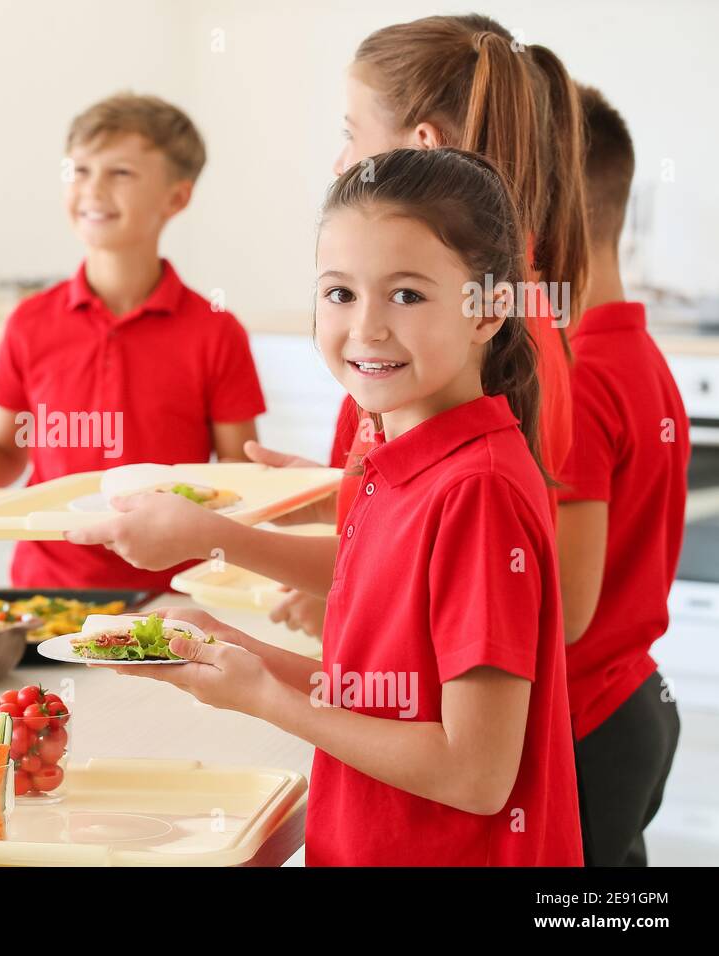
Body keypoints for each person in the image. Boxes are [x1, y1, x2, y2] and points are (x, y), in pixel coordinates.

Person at [104, 149, 582, 865]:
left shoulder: (477, 493)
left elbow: (475, 774)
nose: (368, 328)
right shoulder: (388, 464)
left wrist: (264, 699)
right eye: (339, 294)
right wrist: (236, 656)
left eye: (408, 295)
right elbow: (375, 696)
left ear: (489, 312)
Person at [69, 16, 588, 635]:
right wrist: (329, 497)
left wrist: (224, 543)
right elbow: (414, 529)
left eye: (350, 132)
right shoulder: (428, 356)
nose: (366, 328)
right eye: (339, 293)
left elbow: (464, 577)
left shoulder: (478, 376)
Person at [0, 92, 266, 592]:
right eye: (80, 170)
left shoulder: (216, 331)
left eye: (120, 173)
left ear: (176, 198)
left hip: (171, 592)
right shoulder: (30, 322)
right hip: (44, 586)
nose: (93, 189)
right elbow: (6, 449)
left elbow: (238, 474)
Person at [556, 85, 687, 866]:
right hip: (633, 698)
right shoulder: (634, 353)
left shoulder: (575, 378)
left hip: (585, 724)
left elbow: (567, 611)